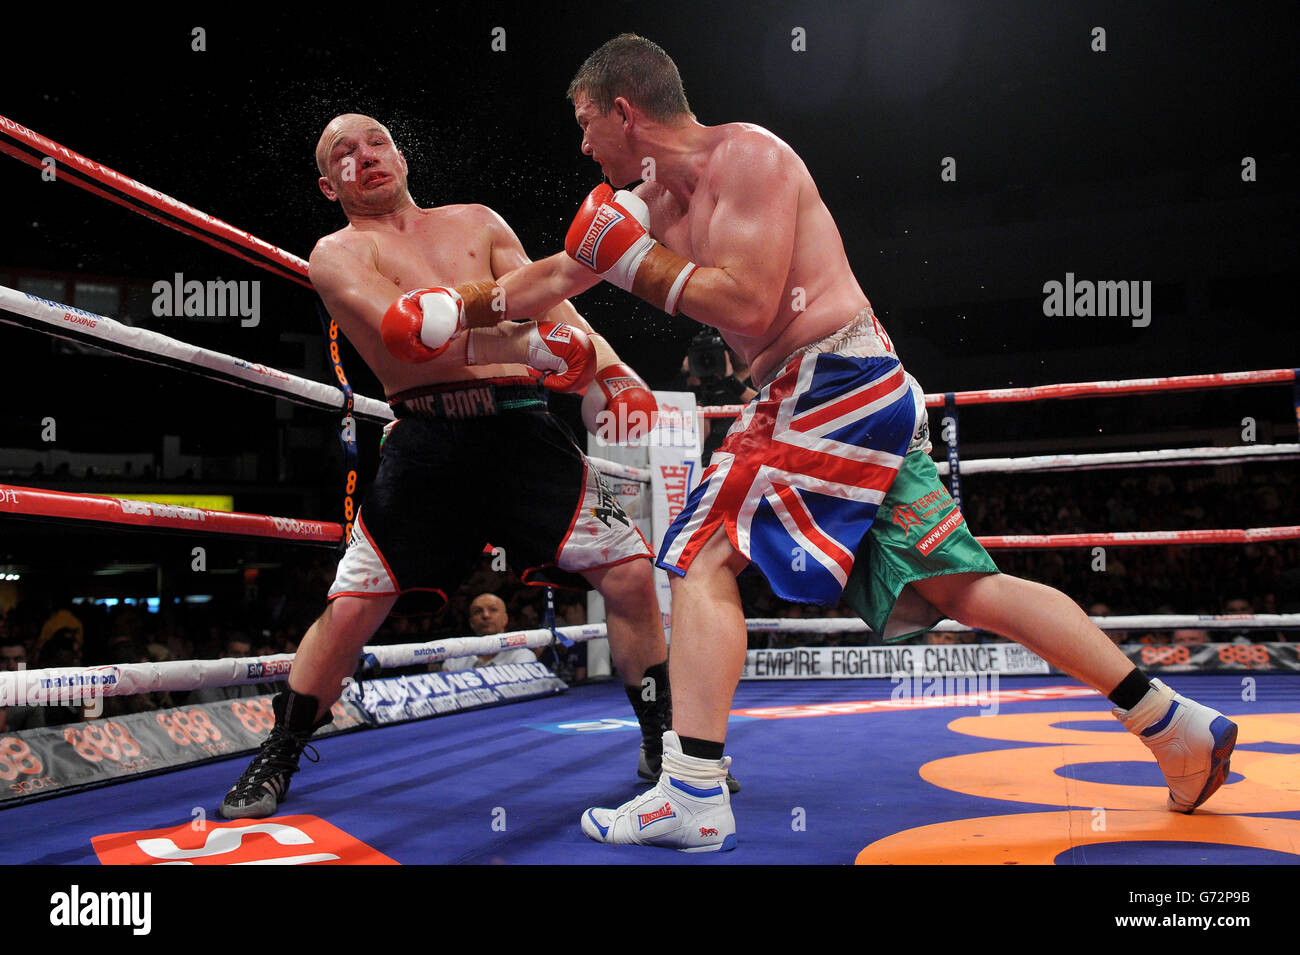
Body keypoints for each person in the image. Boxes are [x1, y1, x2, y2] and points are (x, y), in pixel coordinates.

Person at [426, 35, 1238, 851]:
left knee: (702, 553)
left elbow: (745, 304)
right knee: (961, 586)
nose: (581, 143)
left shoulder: (750, 160)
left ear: (624, 111)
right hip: (849, 394)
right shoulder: (648, 204)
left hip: (829, 380)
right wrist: (457, 310)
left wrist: (636, 264)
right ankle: (1172, 724)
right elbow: (556, 276)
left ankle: (694, 790)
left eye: (584, 121)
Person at [217, 113, 690, 820]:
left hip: (523, 427)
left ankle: (663, 741)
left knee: (627, 570)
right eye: (343, 154)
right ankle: (277, 754)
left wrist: (616, 376)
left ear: (401, 153)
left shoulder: (476, 220)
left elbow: (559, 307)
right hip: (428, 444)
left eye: (375, 141)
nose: (364, 157)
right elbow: (410, 337)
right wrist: (532, 345)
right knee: (351, 611)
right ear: (328, 184)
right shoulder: (336, 254)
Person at [441, 593, 536, 670]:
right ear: (471, 623)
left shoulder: (523, 656)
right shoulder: (454, 661)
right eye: (478, 611)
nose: (485, 615)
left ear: (505, 619)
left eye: (493, 610)